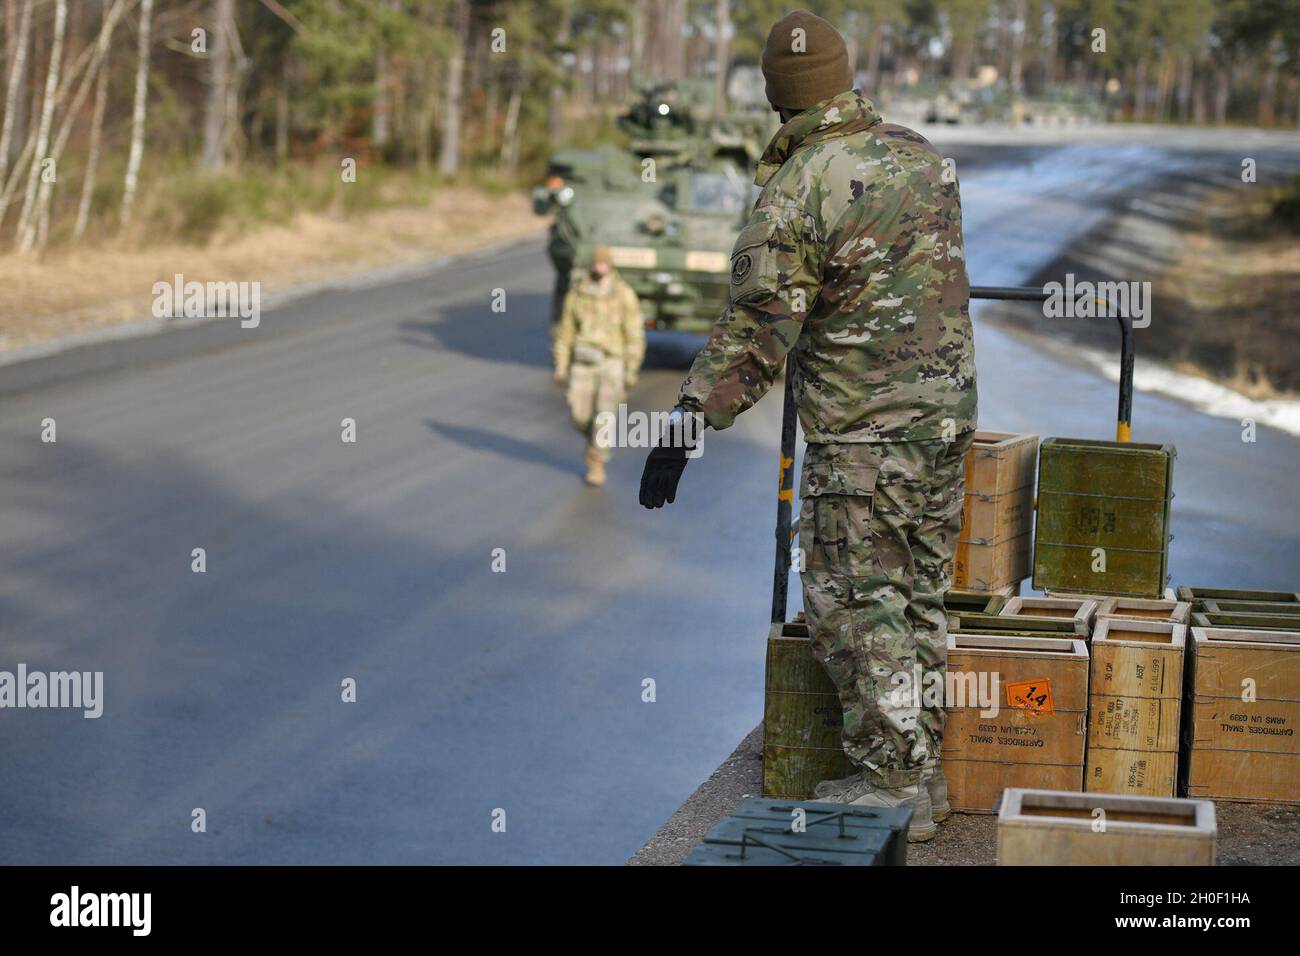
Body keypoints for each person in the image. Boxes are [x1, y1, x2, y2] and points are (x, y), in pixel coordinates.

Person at [638, 10, 977, 843]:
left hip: (862, 432)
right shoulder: (920, 158)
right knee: (916, 597)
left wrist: (688, 421)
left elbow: (760, 328)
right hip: (942, 418)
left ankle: (891, 784)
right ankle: (919, 774)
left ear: (773, 93)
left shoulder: (801, 184)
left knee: (858, 605)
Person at [552, 246, 646, 486]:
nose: (600, 267)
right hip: (583, 362)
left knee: (604, 416)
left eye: (604, 263)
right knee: (578, 414)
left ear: (610, 265)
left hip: (612, 362)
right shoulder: (577, 294)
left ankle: (596, 461)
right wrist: (561, 366)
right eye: (596, 263)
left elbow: (634, 334)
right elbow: (565, 332)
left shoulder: (623, 294)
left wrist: (631, 371)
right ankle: (593, 439)